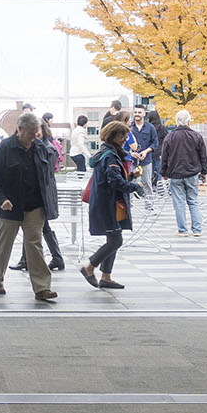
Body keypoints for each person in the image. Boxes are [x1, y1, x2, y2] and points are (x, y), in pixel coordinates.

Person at [0, 112, 60, 302]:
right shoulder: (4, 149)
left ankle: (42, 287)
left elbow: (47, 177)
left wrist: (48, 203)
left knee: (35, 244)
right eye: (30, 133)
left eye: (36, 133)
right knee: (4, 243)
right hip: (9, 206)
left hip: (35, 205)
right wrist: (1, 200)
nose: (34, 137)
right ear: (19, 129)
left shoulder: (39, 148)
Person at [80, 121, 140, 290]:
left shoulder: (107, 153)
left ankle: (106, 277)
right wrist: (135, 186)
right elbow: (115, 182)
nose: (125, 139)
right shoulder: (111, 156)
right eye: (123, 136)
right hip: (107, 204)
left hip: (106, 203)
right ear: (113, 136)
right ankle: (89, 266)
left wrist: (131, 177)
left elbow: (113, 179)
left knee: (113, 237)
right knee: (115, 239)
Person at [10, 115, 67, 273]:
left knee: (38, 226)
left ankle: (52, 258)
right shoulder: (38, 146)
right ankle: (51, 258)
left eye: (37, 129)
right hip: (38, 194)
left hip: (42, 194)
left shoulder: (48, 148)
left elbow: (45, 174)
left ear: (43, 129)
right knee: (36, 226)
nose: (34, 133)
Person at [161, 109, 207, 237]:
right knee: (193, 201)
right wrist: (204, 172)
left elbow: (164, 157)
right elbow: (203, 156)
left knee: (179, 203)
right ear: (189, 121)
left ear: (176, 121)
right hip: (192, 173)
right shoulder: (196, 136)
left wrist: (163, 172)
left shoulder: (169, 137)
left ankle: (182, 230)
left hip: (175, 174)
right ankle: (197, 229)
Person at [127, 105, 159, 185]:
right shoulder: (128, 127)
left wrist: (146, 151)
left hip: (146, 161)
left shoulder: (151, 127)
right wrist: (131, 153)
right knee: (130, 184)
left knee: (147, 184)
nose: (137, 114)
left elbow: (155, 143)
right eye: (135, 112)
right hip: (131, 161)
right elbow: (123, 144)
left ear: (144, 114)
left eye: (139, 112)